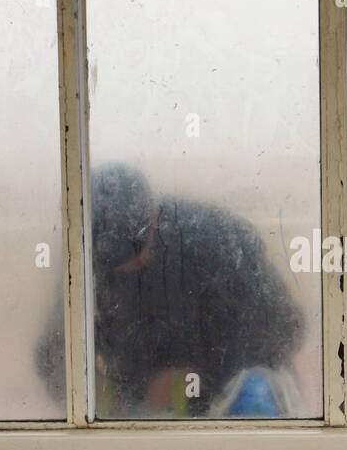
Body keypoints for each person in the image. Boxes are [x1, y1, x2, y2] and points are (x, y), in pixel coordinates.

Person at [36, 163, 305, 417]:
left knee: (256, 394)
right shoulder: (86, 260)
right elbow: (54, 353)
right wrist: (102, 392)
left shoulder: (220, 242)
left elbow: (286, 327)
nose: (126, 269)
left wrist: (193, 378)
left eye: (134, 250)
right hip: (141, 406)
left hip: (231, 393)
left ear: (152, 219)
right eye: (111, 263)